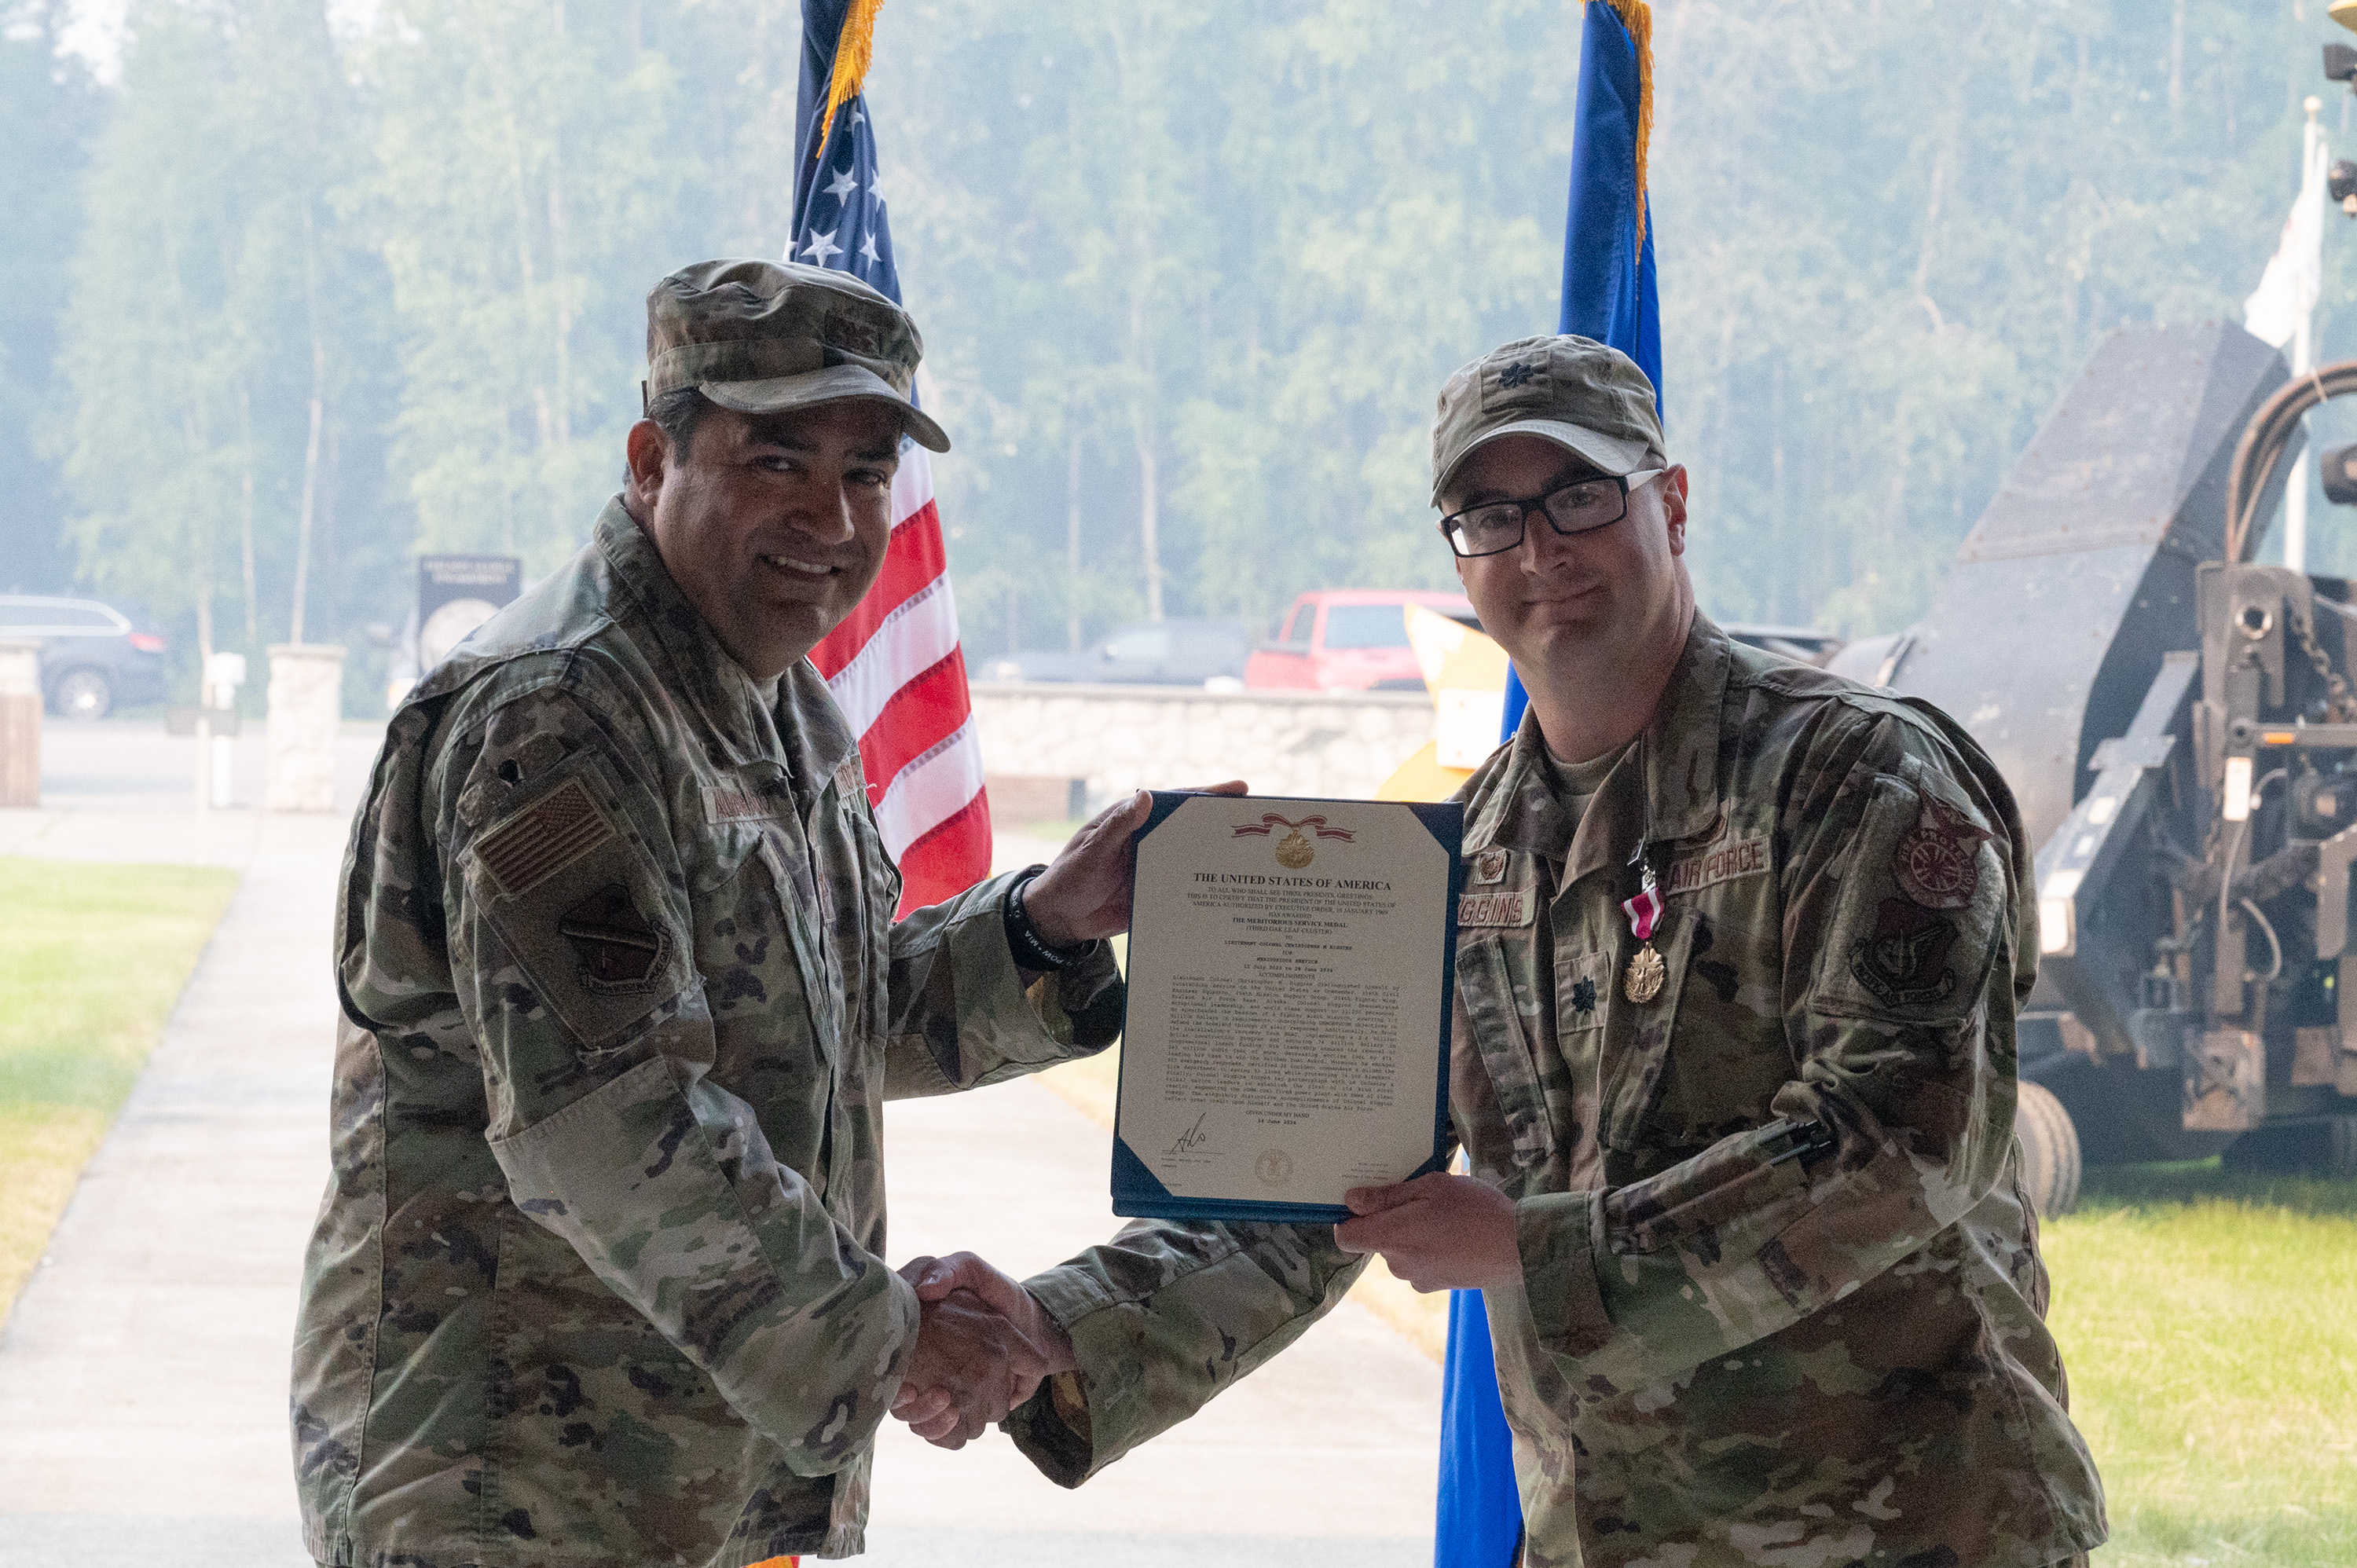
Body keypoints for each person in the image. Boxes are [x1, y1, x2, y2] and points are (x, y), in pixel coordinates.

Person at [896, 335, 2110, 1567]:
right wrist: (1056, 1327)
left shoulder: (1859, 780)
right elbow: (1338, 1193)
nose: (1540, 550)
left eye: (1580, 496)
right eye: (1490, 517)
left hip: (1912, 1532)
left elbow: (1902, 1141)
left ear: (1672, 504)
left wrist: (1536, 1248)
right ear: (1459, 558)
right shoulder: (1457, 852)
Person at [289, 258, 1195, 1568]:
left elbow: (815, 1016)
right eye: (778, 461)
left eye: (868, 473)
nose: (831, 517)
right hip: (509, 1478)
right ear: (652, 460)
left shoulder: (767, 699)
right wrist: (890, 1341)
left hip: (689, 1466)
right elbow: (610, 1118)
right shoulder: (560, 714)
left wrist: (1045, 926)